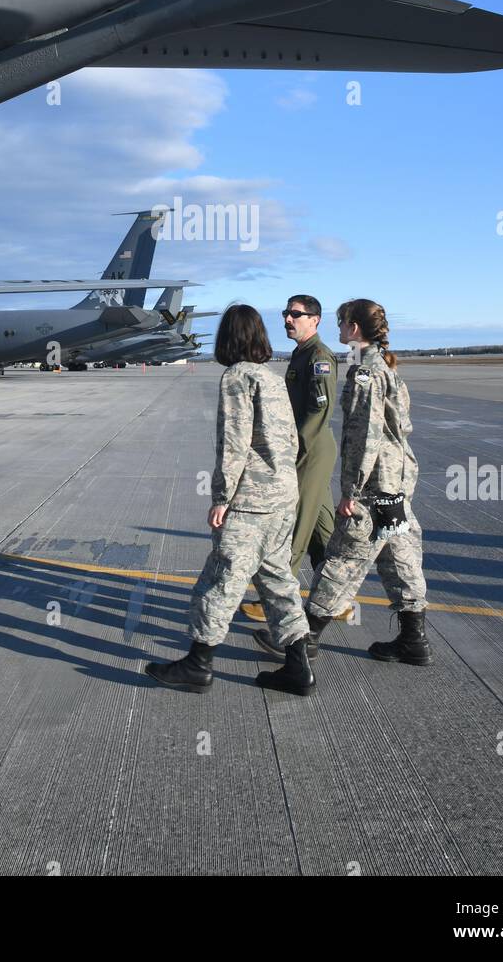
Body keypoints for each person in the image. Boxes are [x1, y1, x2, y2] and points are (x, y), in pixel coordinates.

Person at [145, 304, 315, 696]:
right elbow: (292, 440)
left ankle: (198, 664)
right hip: (282, 497)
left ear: (228, 338)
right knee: (278, 582)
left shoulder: (237, 377)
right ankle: (297, 666)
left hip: (251, 501)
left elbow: (234, 445)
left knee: (220, 581)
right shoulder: (271, 378)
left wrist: (222, 497)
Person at [262, 298, 433, 675]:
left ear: (353, 328)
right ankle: (414, 639)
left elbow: (364, 436)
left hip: (374, 485)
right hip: (398, 479)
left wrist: (351, 493)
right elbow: (402, 425)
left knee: (343, 558)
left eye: (342, 322)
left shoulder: (364, 371)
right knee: (399, 556)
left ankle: (304, 640)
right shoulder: (386, 365)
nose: (339, 328)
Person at [242, 294, 337, 635]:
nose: (287, 319)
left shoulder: (319, 356)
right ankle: (336, 596)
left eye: (296, 314)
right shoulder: (301, 354)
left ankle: (279, 600)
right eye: (286, 313)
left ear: (315, 319)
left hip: (310, 451)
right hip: (308, 450)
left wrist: (294, 450)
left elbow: (320, 411)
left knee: (295, 524)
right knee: (323, 531)